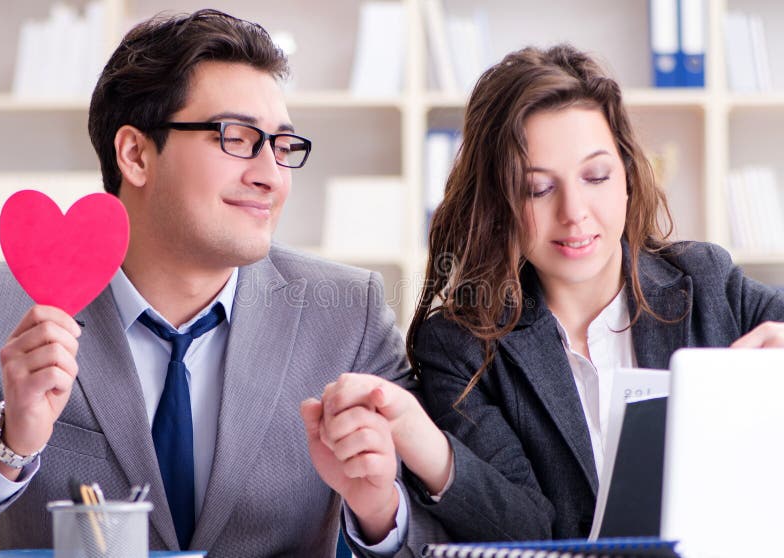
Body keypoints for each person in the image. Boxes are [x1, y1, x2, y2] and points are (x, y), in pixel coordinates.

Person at [0, 9, 441, 557]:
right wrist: (7, 447)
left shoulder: (348, 314)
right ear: (135, 154)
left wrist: (377, 511)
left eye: (283, 146)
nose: (270, 175)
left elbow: (442, 532)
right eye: (238, 138)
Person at [309, 43, 784, 545]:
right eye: (538, 189)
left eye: (596, 176)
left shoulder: (705, 282)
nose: (575, 211)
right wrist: (426, 445)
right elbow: (528, 529)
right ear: (497, 202)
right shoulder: (461, 345)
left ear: (625, 176)